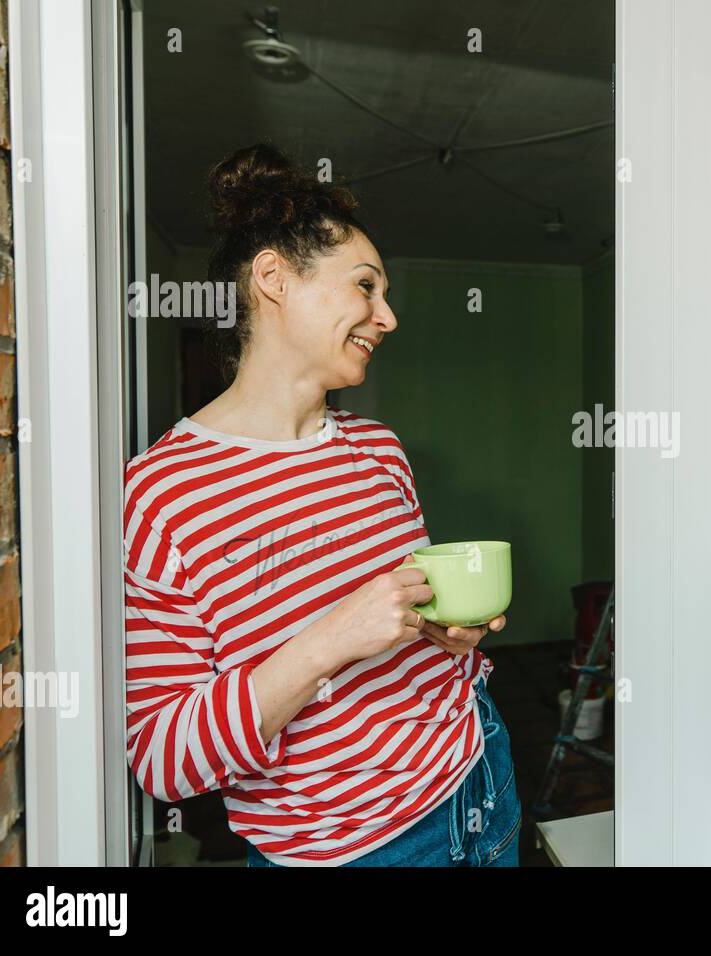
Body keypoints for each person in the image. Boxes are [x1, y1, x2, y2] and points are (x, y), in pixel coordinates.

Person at [122, 143, 519, 867]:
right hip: (353, 850)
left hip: (481, 774)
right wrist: (332, 638)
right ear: (273, 278)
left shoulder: (379, 450)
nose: (387, 317)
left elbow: (403, 619)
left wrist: (447, 632)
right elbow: (163, 760)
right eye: (366, 286)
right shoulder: (159, 496)